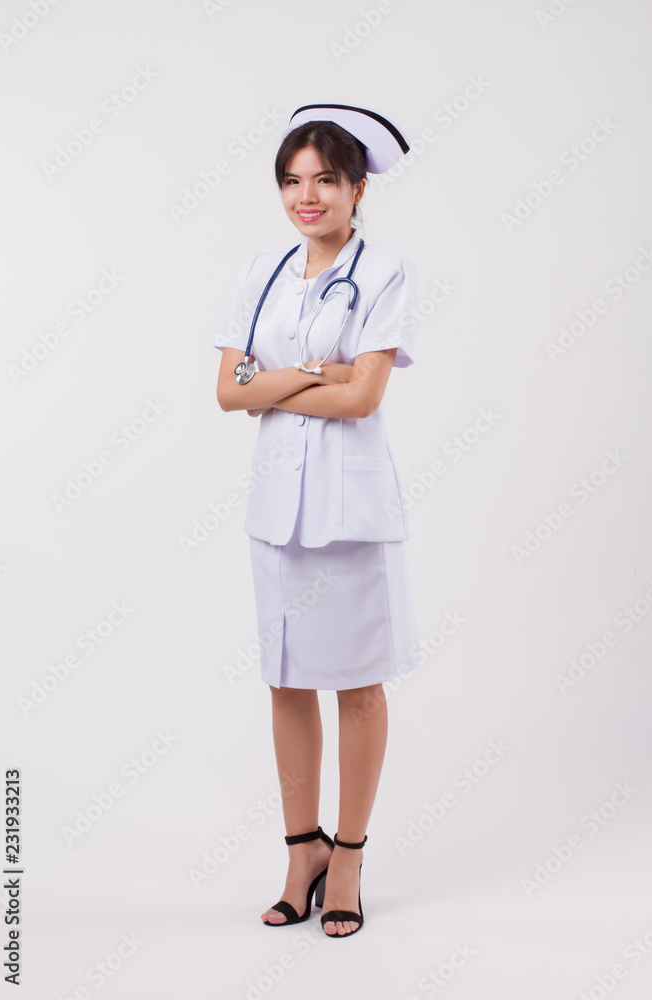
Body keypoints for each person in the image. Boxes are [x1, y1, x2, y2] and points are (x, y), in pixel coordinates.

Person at [214, 104, 421, 938]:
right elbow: (228, 392)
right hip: (276, 507)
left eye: (325, 180)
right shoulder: (259, 273)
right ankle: (302, 851)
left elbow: (364, 395)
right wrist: (311, 372)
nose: (307, 196)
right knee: (287, 678)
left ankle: (350, 861)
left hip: (350, 507)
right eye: (292, 181)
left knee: (357, 682)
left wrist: (277, 379)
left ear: (356, 187)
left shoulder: (383, 270)